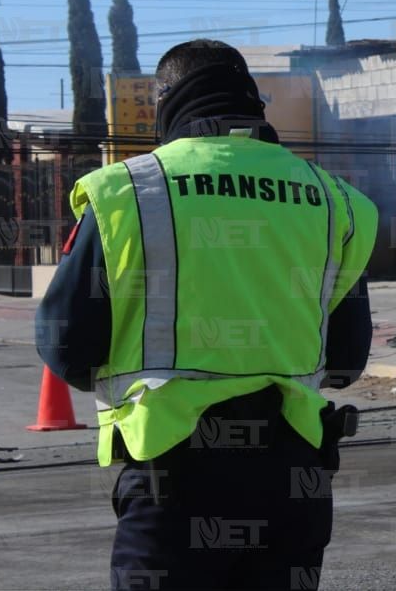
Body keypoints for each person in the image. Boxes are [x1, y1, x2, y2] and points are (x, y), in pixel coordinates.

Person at [36, 39, 377, 591]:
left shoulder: (126, 193)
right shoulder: (333, 200)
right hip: (294, 476)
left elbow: (66, 345)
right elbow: (344, 360)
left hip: (172, 474)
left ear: (165, 102)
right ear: (253, 104)